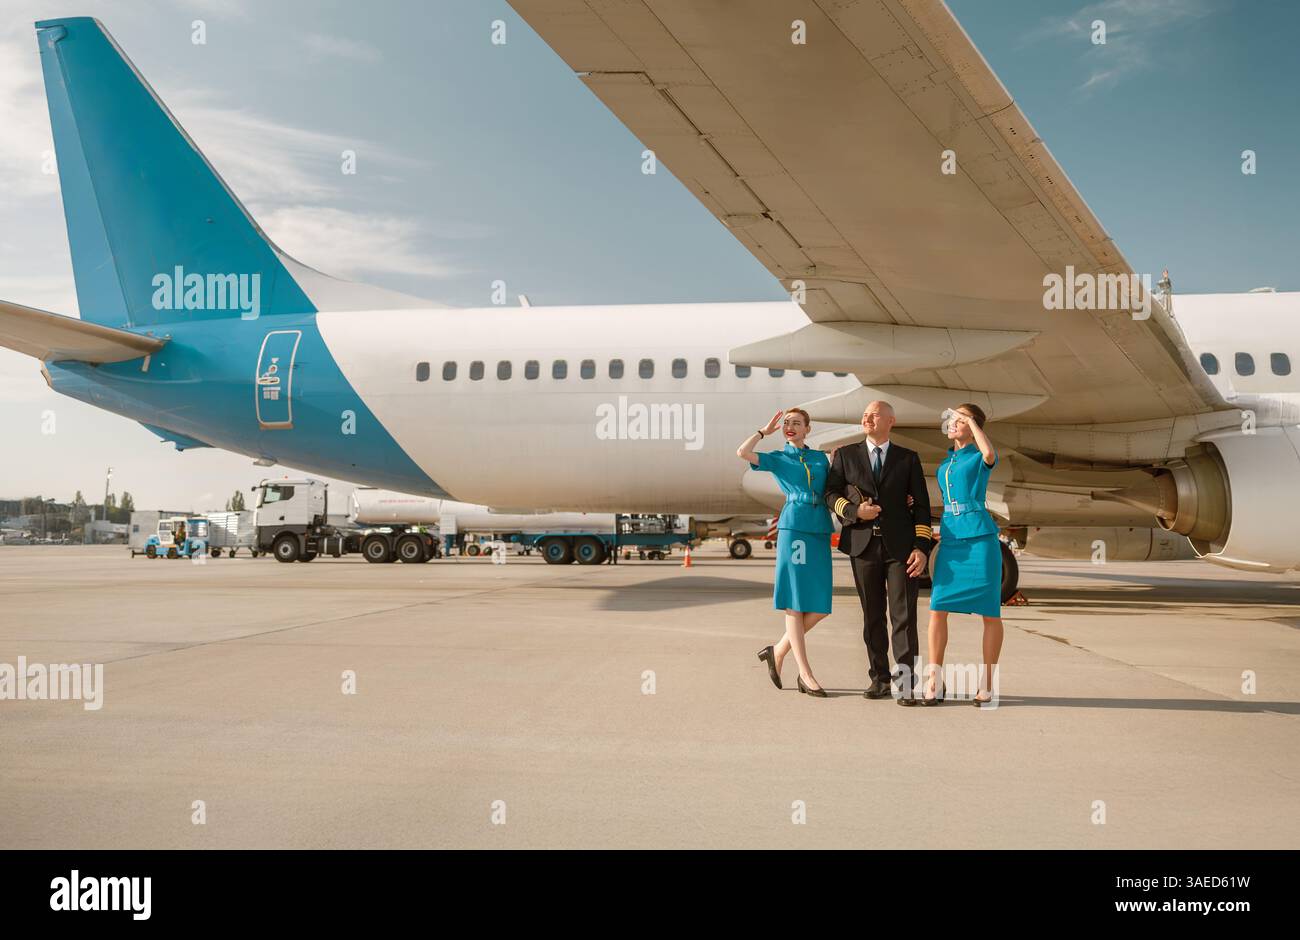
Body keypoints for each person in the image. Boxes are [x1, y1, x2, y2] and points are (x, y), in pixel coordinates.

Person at [824, 401, 933, 705]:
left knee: (904, 616)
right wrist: (855, 511)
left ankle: (907, 684)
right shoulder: (846, 455)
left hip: (901, 549)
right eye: (865, 414)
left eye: (874, 414)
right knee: (872, 616)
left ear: (891, 421)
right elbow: (830, 493)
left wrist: (921, 547)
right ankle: (879, 679)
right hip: (863, 546)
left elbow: (922, 507)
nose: (867, 418)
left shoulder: (908, 458)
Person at [738, 408, 834, 697]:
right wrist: (762, 433)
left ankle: (777, 651)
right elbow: (742, 453)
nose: (790, 427)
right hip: (794, 527)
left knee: (819, 607)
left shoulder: (821, 458)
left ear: (808, 428)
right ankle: (805, 673)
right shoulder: (779, 458)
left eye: (796, 423)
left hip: (819, 527)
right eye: (787, 424)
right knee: (795, 599)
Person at [923, 403, 1003, 707]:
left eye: (959, 420)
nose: (952, 424)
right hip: (953, 539)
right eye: (952, 419)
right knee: (937, 607)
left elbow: (989, 455)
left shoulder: (977, 456)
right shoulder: (948, 462)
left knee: (990, 613)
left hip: (980, 539)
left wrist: (971, 421)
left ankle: (987, 684)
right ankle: (934, 679)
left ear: (972, 425)